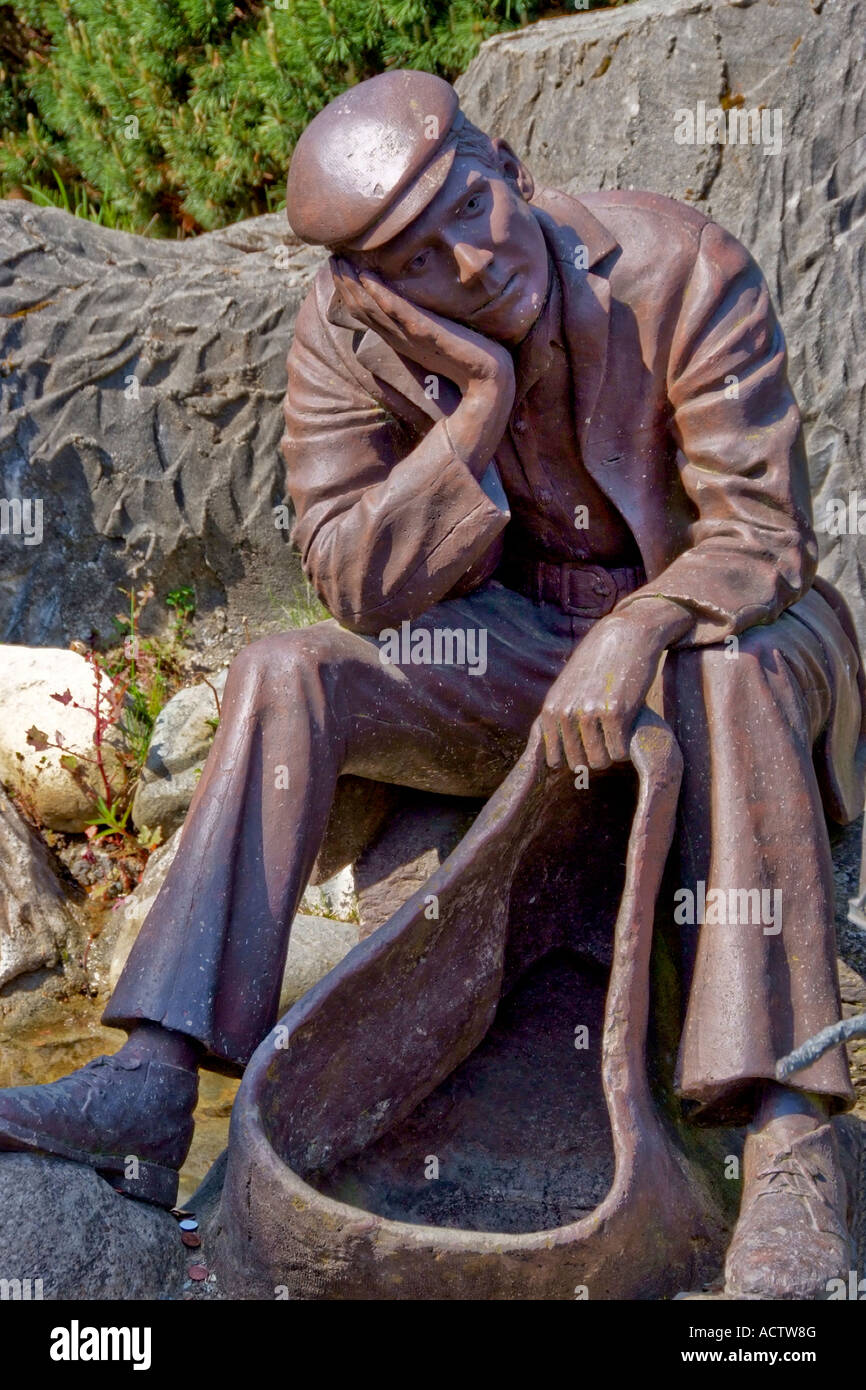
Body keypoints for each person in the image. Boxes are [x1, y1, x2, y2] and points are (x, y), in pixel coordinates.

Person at [0, 69, 863, 1300]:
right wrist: (475, 416)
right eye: (408, 261)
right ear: (363, 284)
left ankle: (788, 1143)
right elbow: (352, 577)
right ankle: (152, 1082)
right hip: (517, 649)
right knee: (287, 667)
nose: (460, 265)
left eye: (466, 210)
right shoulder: (343, 336)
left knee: (730, 672)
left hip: (726, 633)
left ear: (507, 166)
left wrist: (642, 624)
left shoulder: (680, 264)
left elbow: (766, 534)